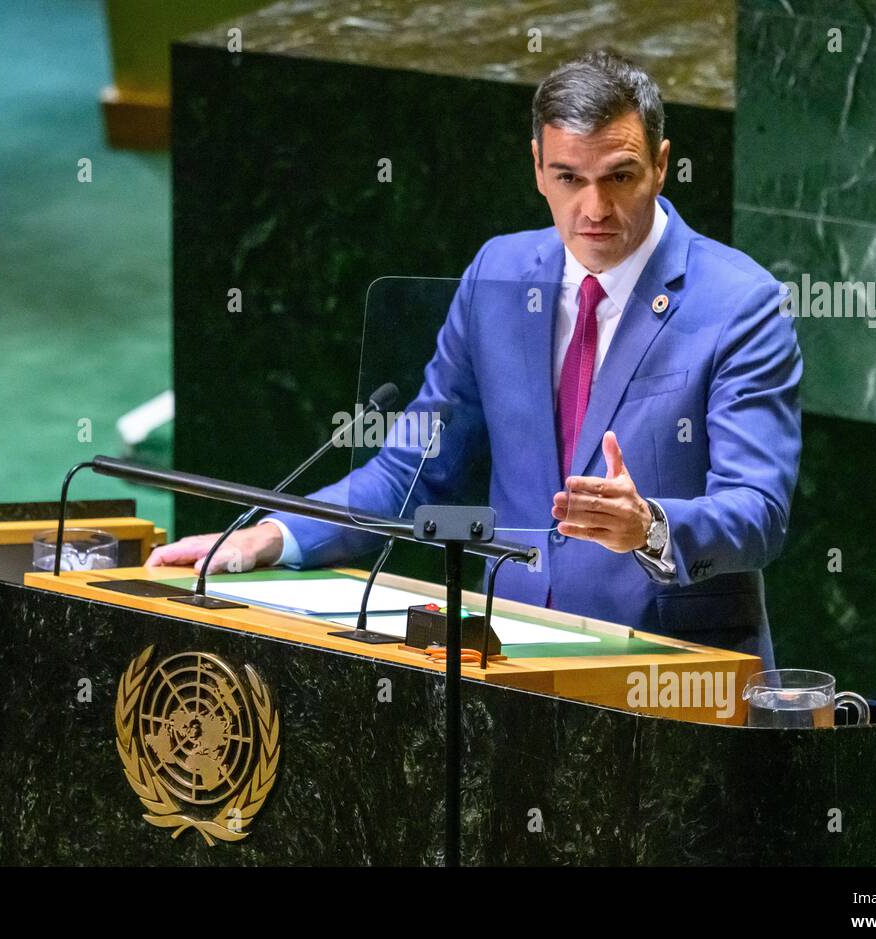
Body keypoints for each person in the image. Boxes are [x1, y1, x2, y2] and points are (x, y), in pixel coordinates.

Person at [148, 49, 802, 668]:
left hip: (669, 669)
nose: (594, 208)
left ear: (661, 165)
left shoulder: (740, 304)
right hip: (506, 662)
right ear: (537, 167)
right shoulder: (499, 274)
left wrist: (651, 525)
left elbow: (758, 512)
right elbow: (413, 468)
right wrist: (277, 536)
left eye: (620, 177)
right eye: (569, 178)